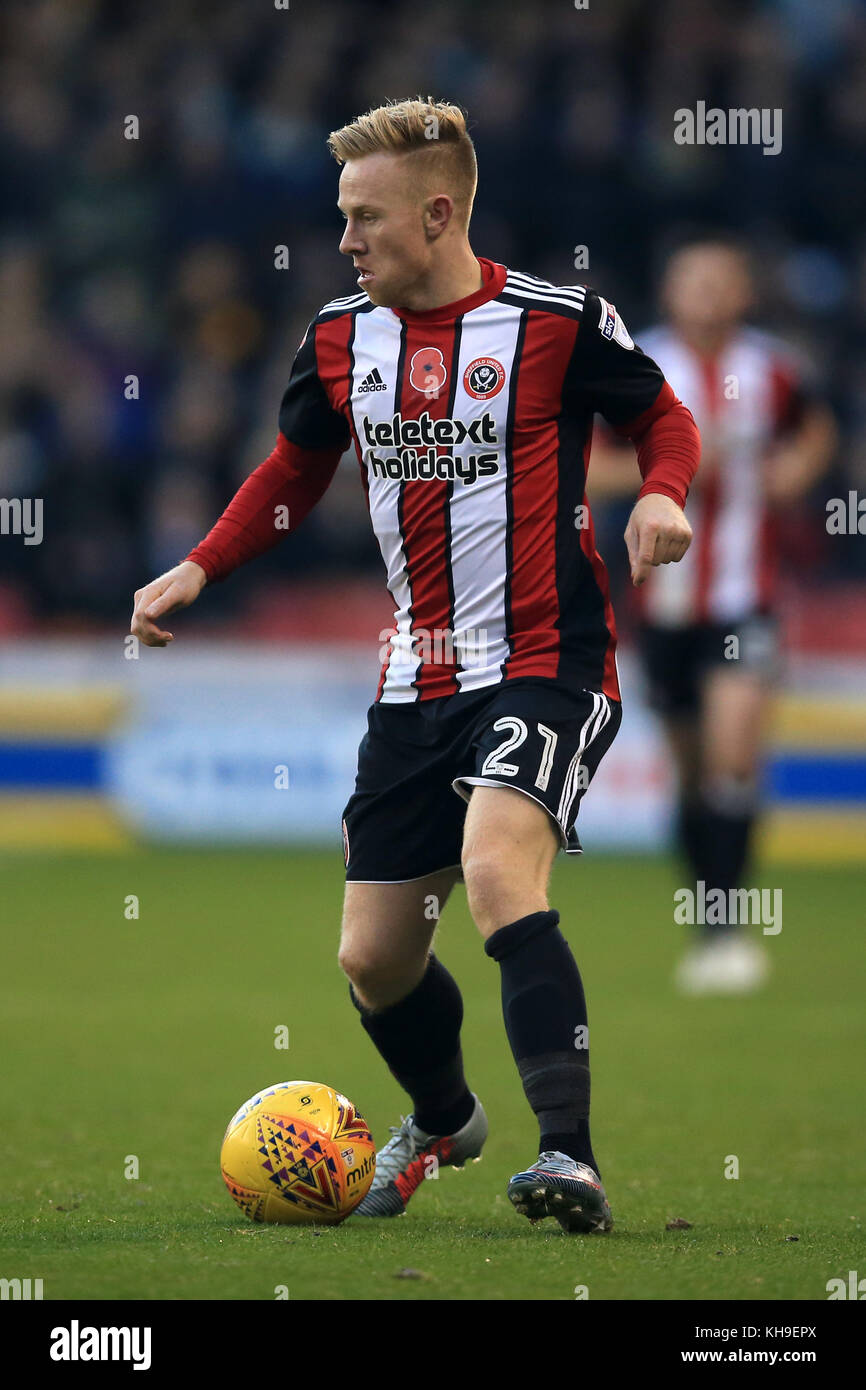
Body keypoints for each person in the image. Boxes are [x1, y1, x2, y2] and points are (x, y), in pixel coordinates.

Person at [130, 98, 699, 1234]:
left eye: (363, 218)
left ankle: (569, 1158)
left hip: (546, 658)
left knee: (496, 875)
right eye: (342, 219)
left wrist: (664, 496)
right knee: (372, 960)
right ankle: (442, 1118)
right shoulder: (340, 337)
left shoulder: (556, 321)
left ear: (436, 213)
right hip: (411, 683)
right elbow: (292, 471)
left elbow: (663, 415)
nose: (343, 241)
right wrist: (199, 567)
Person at [590, 240, 836, 995]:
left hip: (746, 596)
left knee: (734, 755)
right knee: (693, 770)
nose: (705, 293)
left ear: (742, 293)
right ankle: (708, 919)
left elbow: (815, 427)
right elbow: (592, 466)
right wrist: (681, 465)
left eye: (719, 280)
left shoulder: (773, 370)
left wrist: (797, 468)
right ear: (669, 291)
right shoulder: (637, 367)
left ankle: (726, 931)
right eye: (691, 279)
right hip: (662, 600)